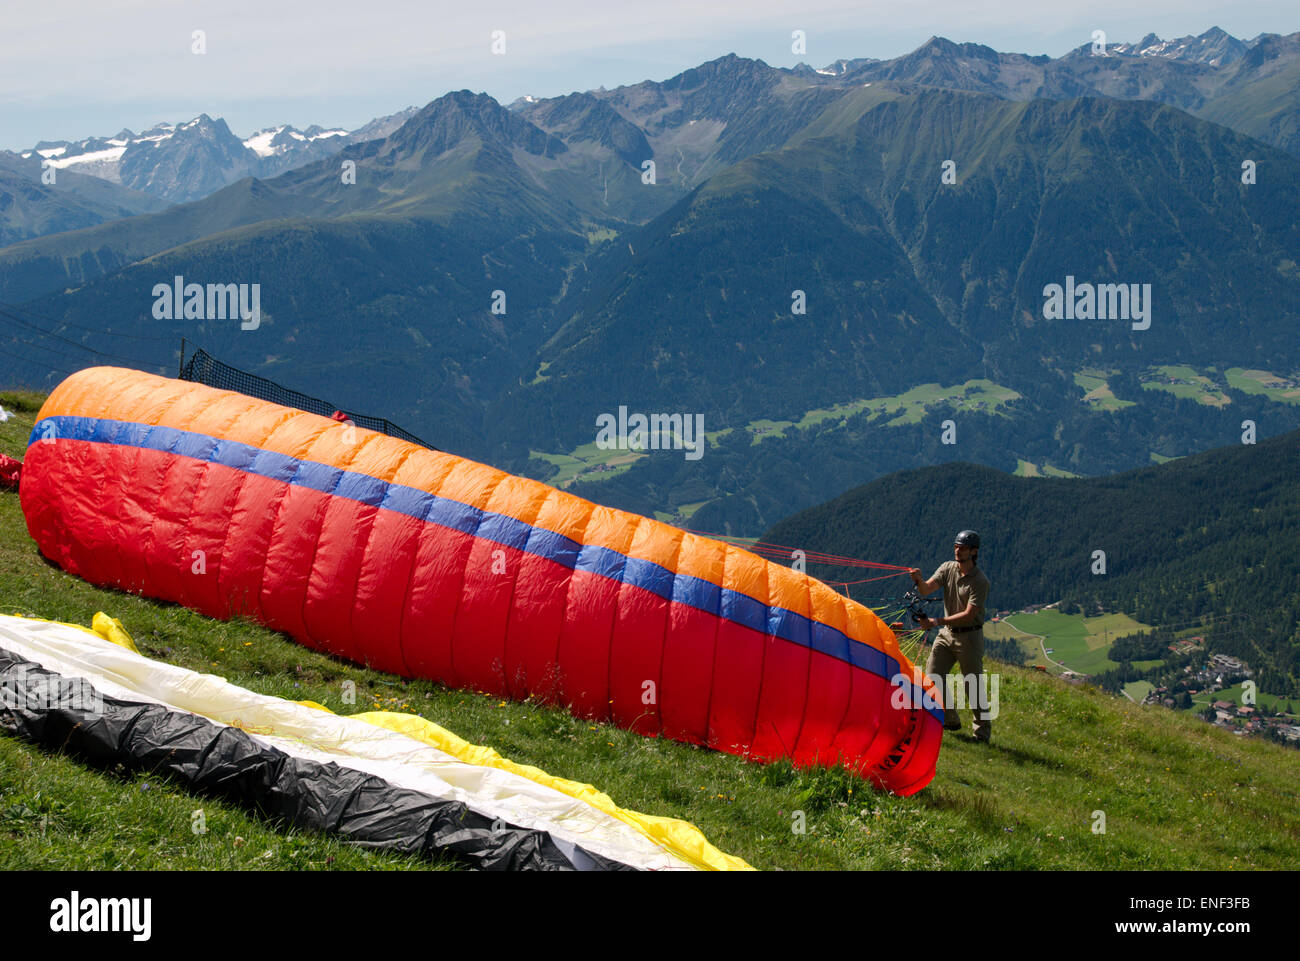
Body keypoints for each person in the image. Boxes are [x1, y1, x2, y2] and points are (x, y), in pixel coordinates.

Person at [908, 530, 992, 743]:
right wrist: (918, 580)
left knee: (972, 684)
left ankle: (981, 734)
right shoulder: (947, 568)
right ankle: (950, 719)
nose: (957, 550)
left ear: (974, 552)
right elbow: (927, 589)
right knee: (933, 675)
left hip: (970, 637)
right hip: (947, 635)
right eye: (956, 546)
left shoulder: (980, 581)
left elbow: (969, 614)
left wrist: (936, 622)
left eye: (962, 547)